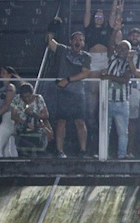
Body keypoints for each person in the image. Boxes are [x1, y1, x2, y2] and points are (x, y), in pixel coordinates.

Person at [45, 22, 92, 158]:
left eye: (81, 39)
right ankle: (60, 151)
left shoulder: (86, 56)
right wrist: (52, 28)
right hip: (63, 93)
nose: (78, 41)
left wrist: (68, 79)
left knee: (80, 121)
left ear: (83, 43)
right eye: (75, 39)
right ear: (71, 41)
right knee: (61, 121)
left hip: (78, 93)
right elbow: (50, 42)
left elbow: (85, 73)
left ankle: (83, 151)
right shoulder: (63, 50)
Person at [103, 39, 140, 159]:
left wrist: (107, 76)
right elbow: (110, 44)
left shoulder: (129, 63)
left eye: (125, 48)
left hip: (122, 102)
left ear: (129, 51)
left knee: (122, 131)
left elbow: (125, 79)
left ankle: (121, 154)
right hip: (107, 100)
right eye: (120, 47)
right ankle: (104, 154)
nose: (122, 50)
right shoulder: (111, 59)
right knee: (105, 130)